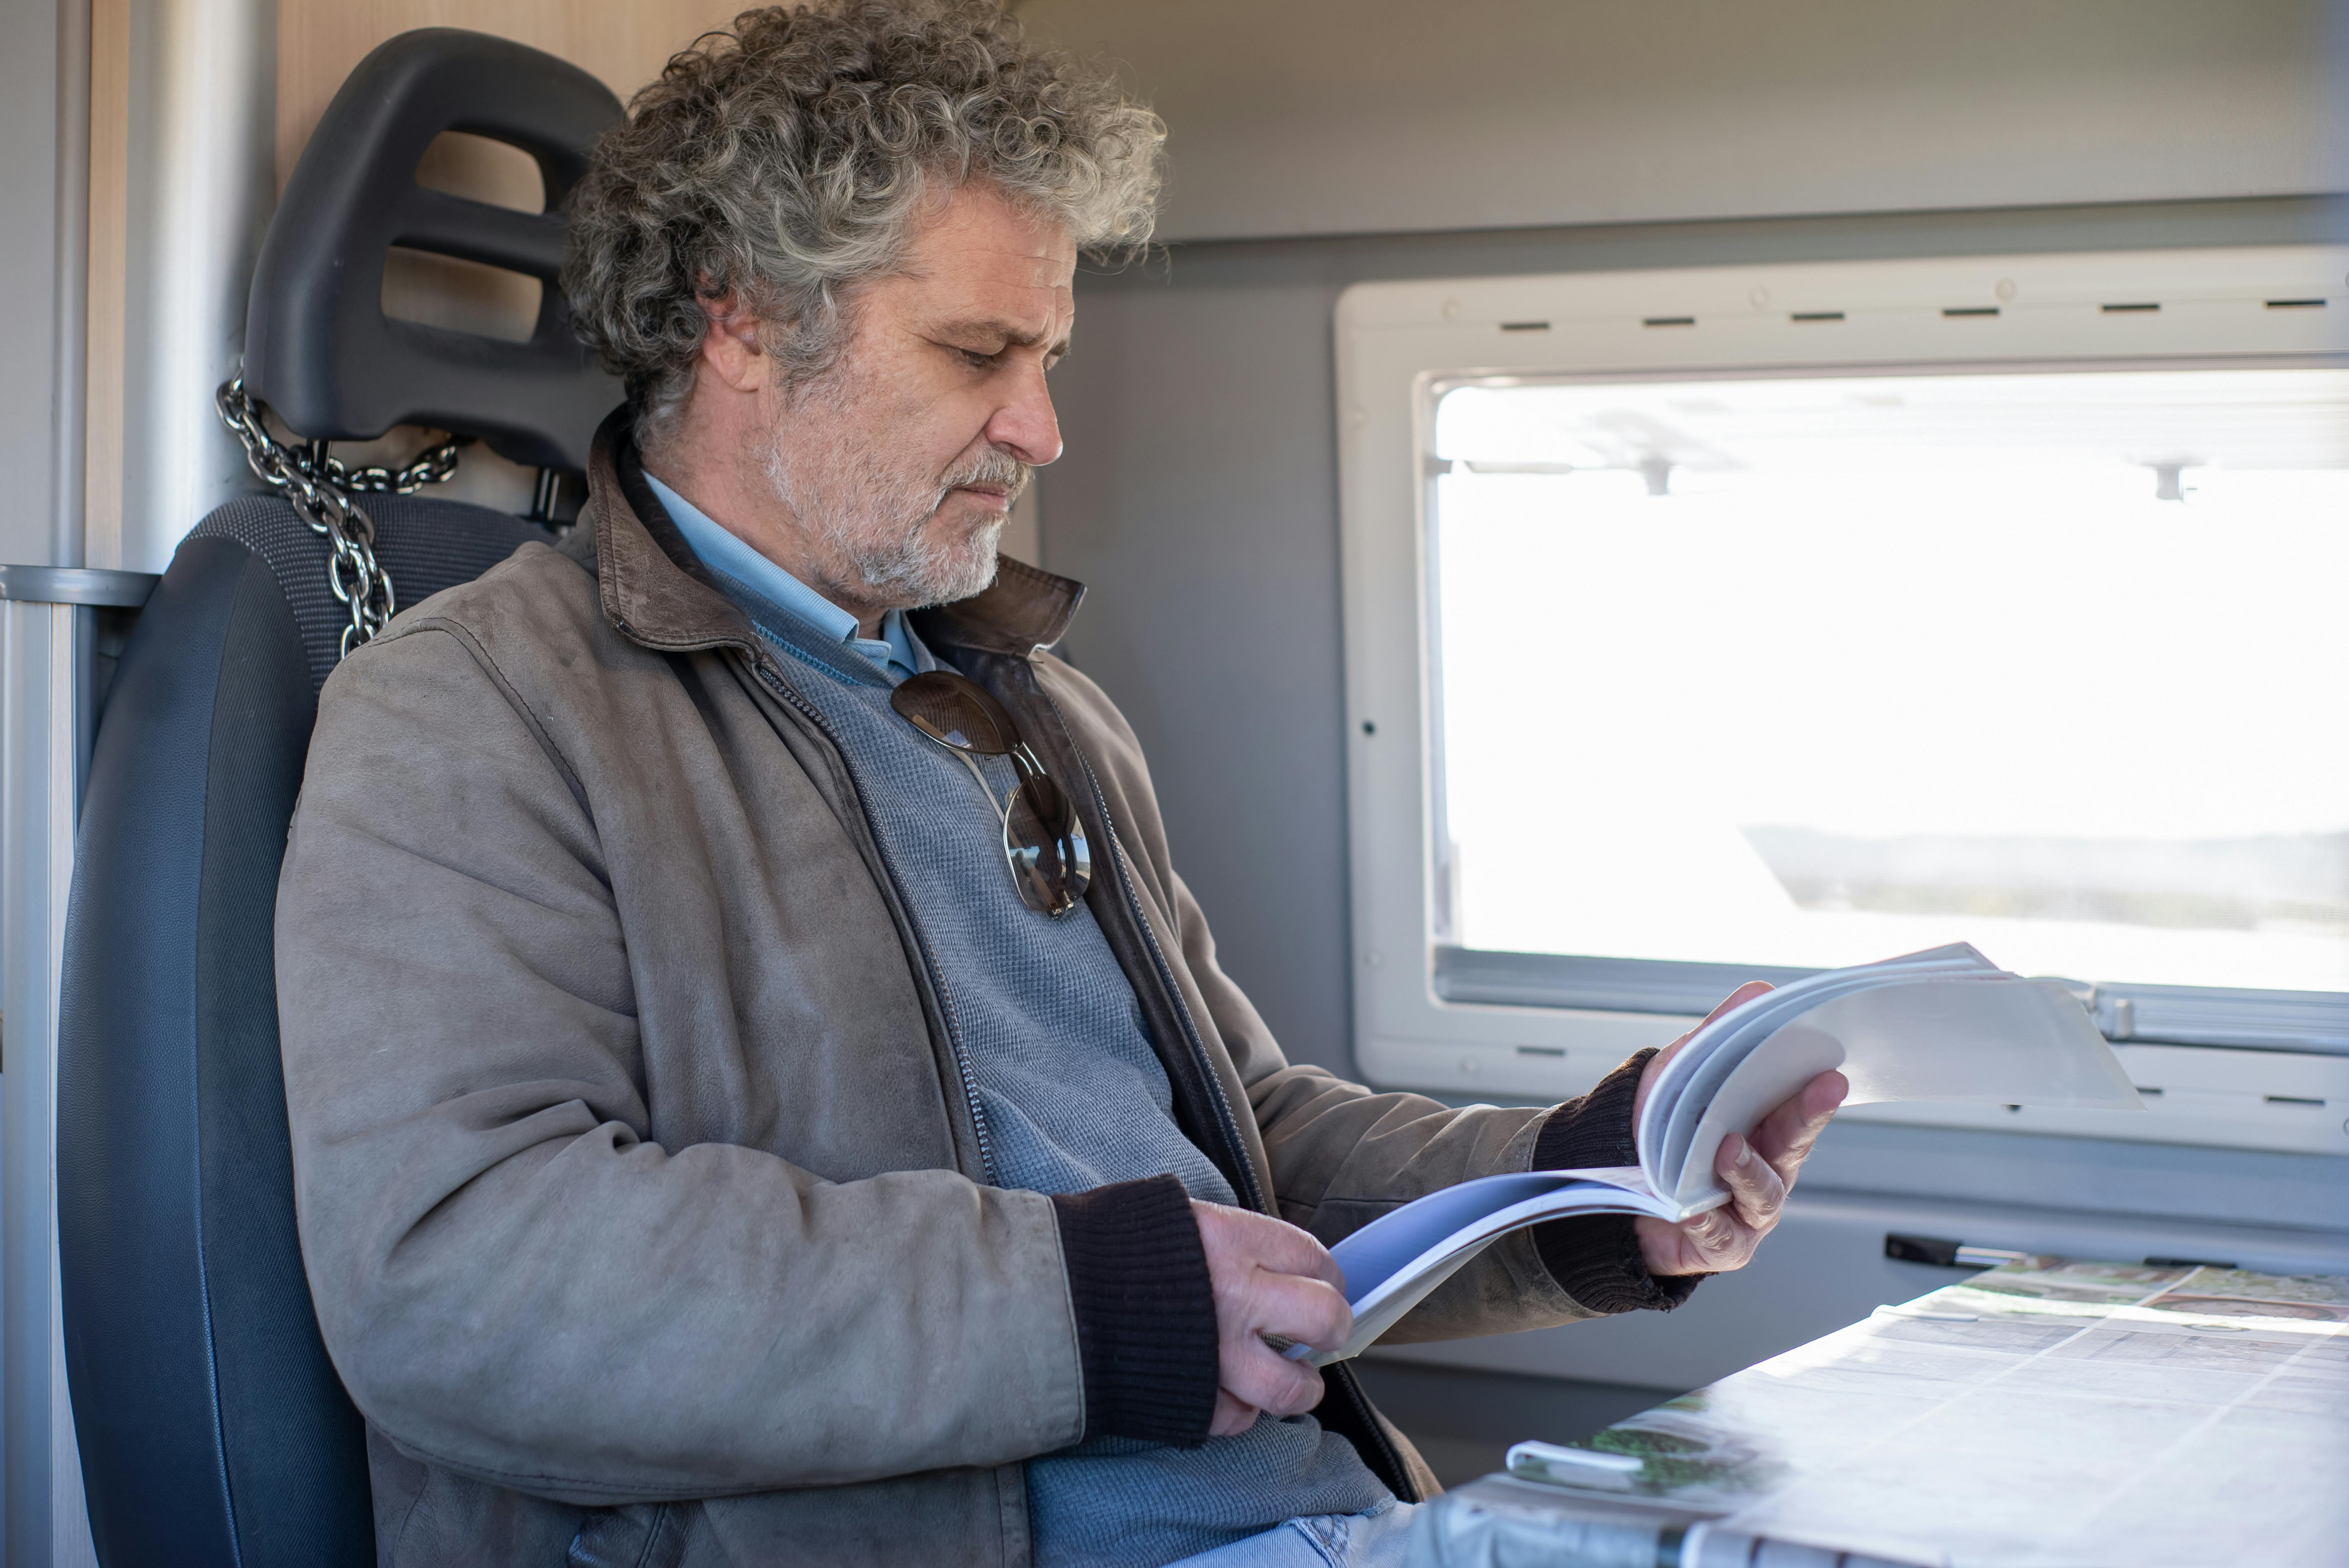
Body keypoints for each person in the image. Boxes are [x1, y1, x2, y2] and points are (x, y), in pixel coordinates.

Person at [272, 4, 1847, 1565]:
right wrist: (1093, 1309)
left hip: (1328, 1523)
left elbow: (1244, 1147)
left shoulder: (1034, 708)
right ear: (740, 322)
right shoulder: (474, 710)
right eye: (975, 352)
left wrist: (1585, 1185)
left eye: (1047, 357)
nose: (1040, 428)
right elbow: (459, 1280)